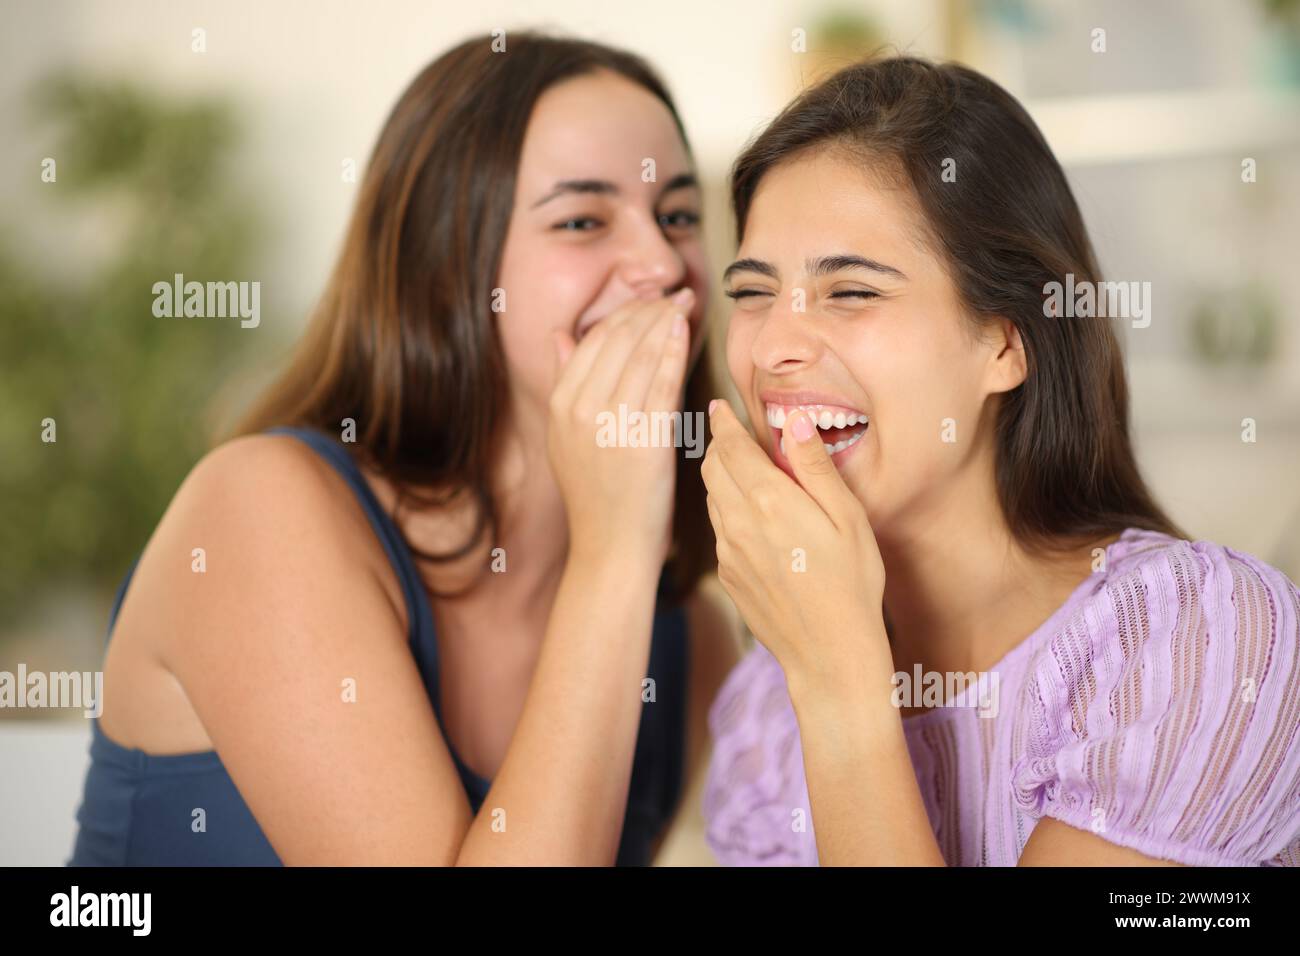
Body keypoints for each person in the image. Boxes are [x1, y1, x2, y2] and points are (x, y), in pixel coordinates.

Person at [70, 31, 742, 866]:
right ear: (443, 265)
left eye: (678, 215)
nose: (660, 265)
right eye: (582, 219)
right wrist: (612, 555)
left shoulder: (689, 641)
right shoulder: (259, 512)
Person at [700, 54, 1300, 866]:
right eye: (752, 293)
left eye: (852, 291)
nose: (772, 348)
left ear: (1006, 343)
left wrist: (841, 688)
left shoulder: (1201, 641)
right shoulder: (764, 725)